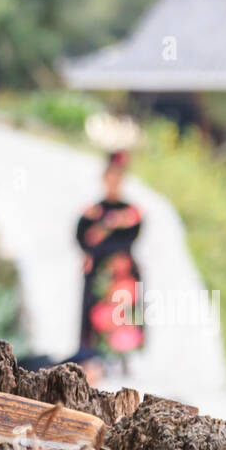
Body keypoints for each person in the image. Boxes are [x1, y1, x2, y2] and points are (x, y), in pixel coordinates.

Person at [73, 151, 144, 380]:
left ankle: (123, 356)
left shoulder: (130, 213)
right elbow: (82, 238)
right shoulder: (92, 212)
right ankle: (92, 358)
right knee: (96, 315)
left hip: (121, 273)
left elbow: (131, 238)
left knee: (123, 315)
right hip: (98, 272)